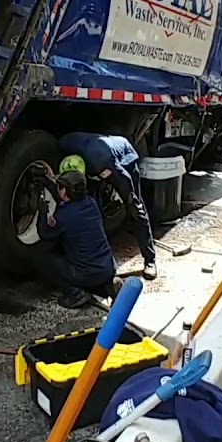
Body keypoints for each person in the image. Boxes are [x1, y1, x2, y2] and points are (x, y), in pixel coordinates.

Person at [58, 132, 157, 280]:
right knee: (94, 210)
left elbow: (125, 181)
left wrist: (130, 199)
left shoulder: (101, 162)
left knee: (136, 209)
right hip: (96, 154)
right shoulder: (65, 143)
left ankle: (150, 260)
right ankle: (98, 260)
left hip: (123, 158)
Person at [31, 166, 117, 309]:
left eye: (60, 187)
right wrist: (47, 183)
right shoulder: (91, 203)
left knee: (40, 259)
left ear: (65, 191)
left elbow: (44, 233)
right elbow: (65, 200)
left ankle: (75, 293)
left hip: (85, 273)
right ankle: (108, 287)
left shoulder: (63, 216)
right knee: (89, 262)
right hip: (107, 267)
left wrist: (42, 212)